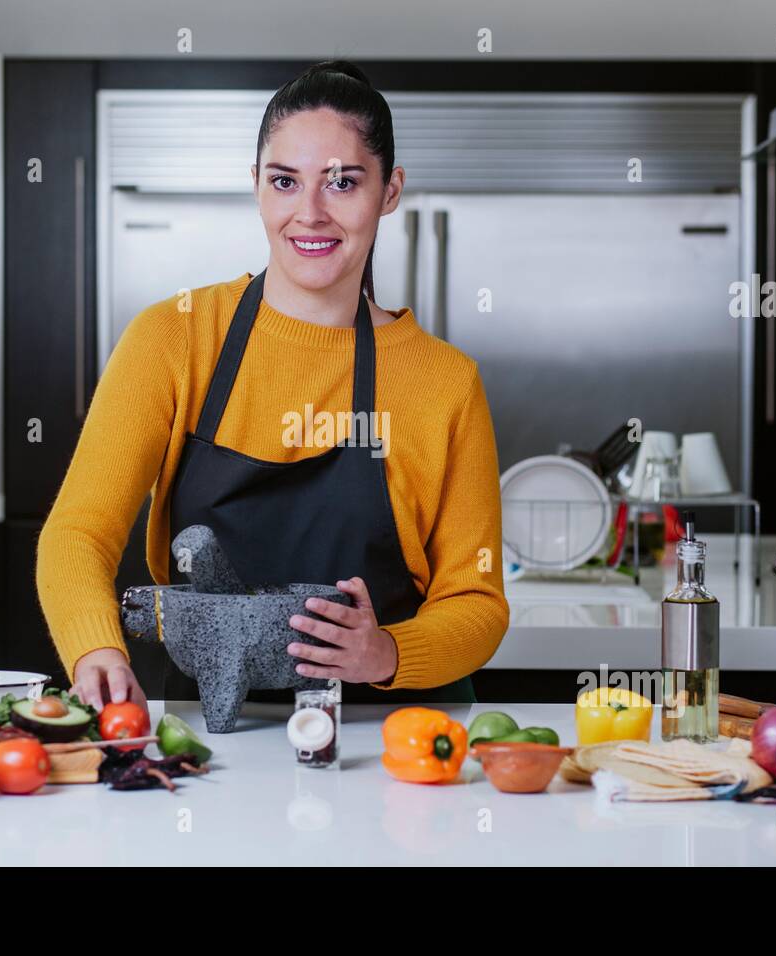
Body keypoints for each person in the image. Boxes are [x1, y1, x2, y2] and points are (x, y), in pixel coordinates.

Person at [37, 59, 508, 717]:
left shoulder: (445, 382)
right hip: (216, 727)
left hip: (393, 735)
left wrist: (388, 653)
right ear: (256, 184)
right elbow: (78, 532)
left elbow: (476, 599)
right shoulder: (173, 338)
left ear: (390, 190)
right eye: (286, 181)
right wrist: (96, 652)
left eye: (343, 182)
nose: (309, 214)